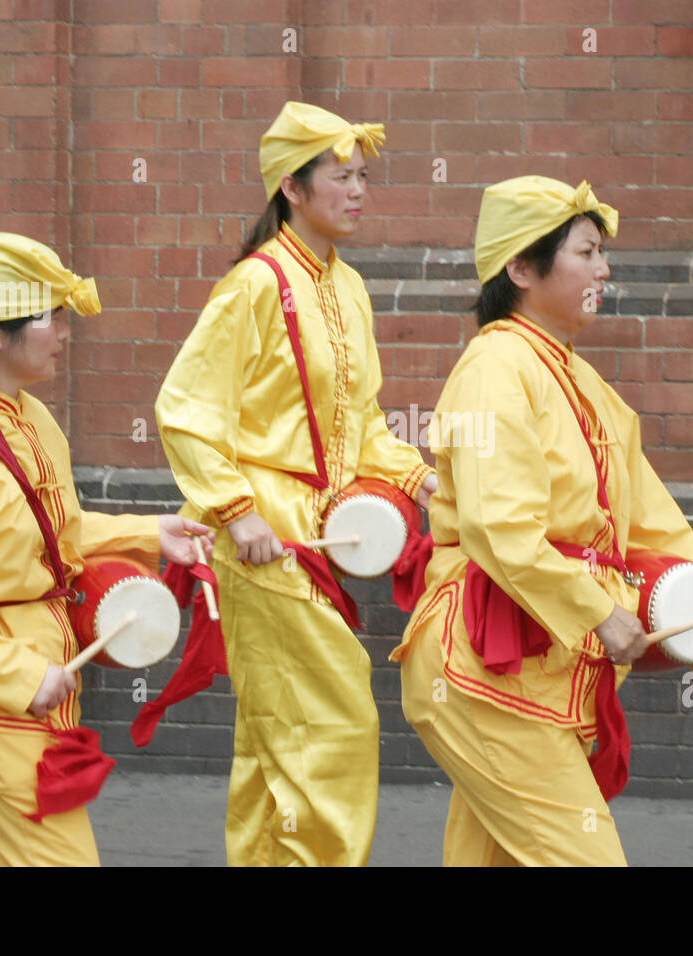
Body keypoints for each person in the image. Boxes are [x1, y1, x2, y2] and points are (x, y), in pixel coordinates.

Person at [391, 176, 693, 866]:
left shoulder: (585, 386)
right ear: (522, 269)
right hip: (484, 660)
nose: (604, 269)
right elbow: (502, 530)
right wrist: (598, 609)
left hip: (534, 663)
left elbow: (649, 532)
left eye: (601, 253)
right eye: (586, 252)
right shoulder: (496, 367)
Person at [0, 232, 212, 866]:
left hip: (33, 677)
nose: (63, 331)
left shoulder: (31, 417)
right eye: (49, 315)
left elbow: (56, 534)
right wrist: (22, 676)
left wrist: (147, 533)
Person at [155, 101, 436, 866]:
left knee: (275, 734)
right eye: (340, 177)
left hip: (327, 529)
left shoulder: (348, 287)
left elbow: (366, 422)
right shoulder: (255, 284)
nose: (358, 191)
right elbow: (183, 408)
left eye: (363, 177)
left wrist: (418, 479)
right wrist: (235, 509)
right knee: (336, 718)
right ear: (293, 188)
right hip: (266, 535)